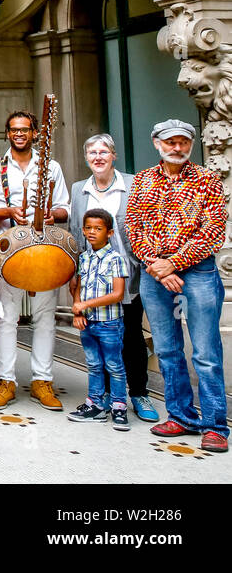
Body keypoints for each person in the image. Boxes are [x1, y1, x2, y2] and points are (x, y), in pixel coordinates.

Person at [125, 119, 228, 453]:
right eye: (170, 142)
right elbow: (133, 227)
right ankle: (181, 416)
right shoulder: (142, 180)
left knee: (206, 353)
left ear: (191, 145)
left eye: (184, 142)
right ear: (157, 144)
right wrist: (157, 266)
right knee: (168, 349)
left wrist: (175, 263)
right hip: (156, 276)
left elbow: (212, 230)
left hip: (198, 273)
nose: (177, 147)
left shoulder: (207, 180)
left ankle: (215, 426)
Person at [0, 110, 69, 412]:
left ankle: (43, 380)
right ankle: (6, 381)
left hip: (44, 251)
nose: (19, 134)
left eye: (25, 129)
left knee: (44, 316)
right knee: (6, 317)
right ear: (7, 133)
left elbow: (65, 207)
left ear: (34, 133)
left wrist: (54, 214)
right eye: (14, 129)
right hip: (8, 253)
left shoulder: (51, 166)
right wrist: (9, 212)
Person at [69, 133, 156, 422]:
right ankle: (104, 397)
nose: (98, 157)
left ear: (114, 155)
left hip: (127, 277)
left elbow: (147, 227)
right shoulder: (79, 189)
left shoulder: (133, 184)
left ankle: (139, 394)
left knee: (130, 337)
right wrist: (76, 281)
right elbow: (75, 236)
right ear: (86, 158)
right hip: (93, 279)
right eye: (92, 152)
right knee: (100, 339)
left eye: (103, 151)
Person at [68, 210, 130, 430]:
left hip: (109, 323)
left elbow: (118, 294)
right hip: (88, 323)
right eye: (88, 228)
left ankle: (119, 407)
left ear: (110, 232)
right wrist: (77, 311)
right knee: (94, 365)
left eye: (98, 228)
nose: (92, 232)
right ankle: (95, 405)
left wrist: (86, 305)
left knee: (114, 365)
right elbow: (77, 287)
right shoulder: (83, 258)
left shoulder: (116, 259)